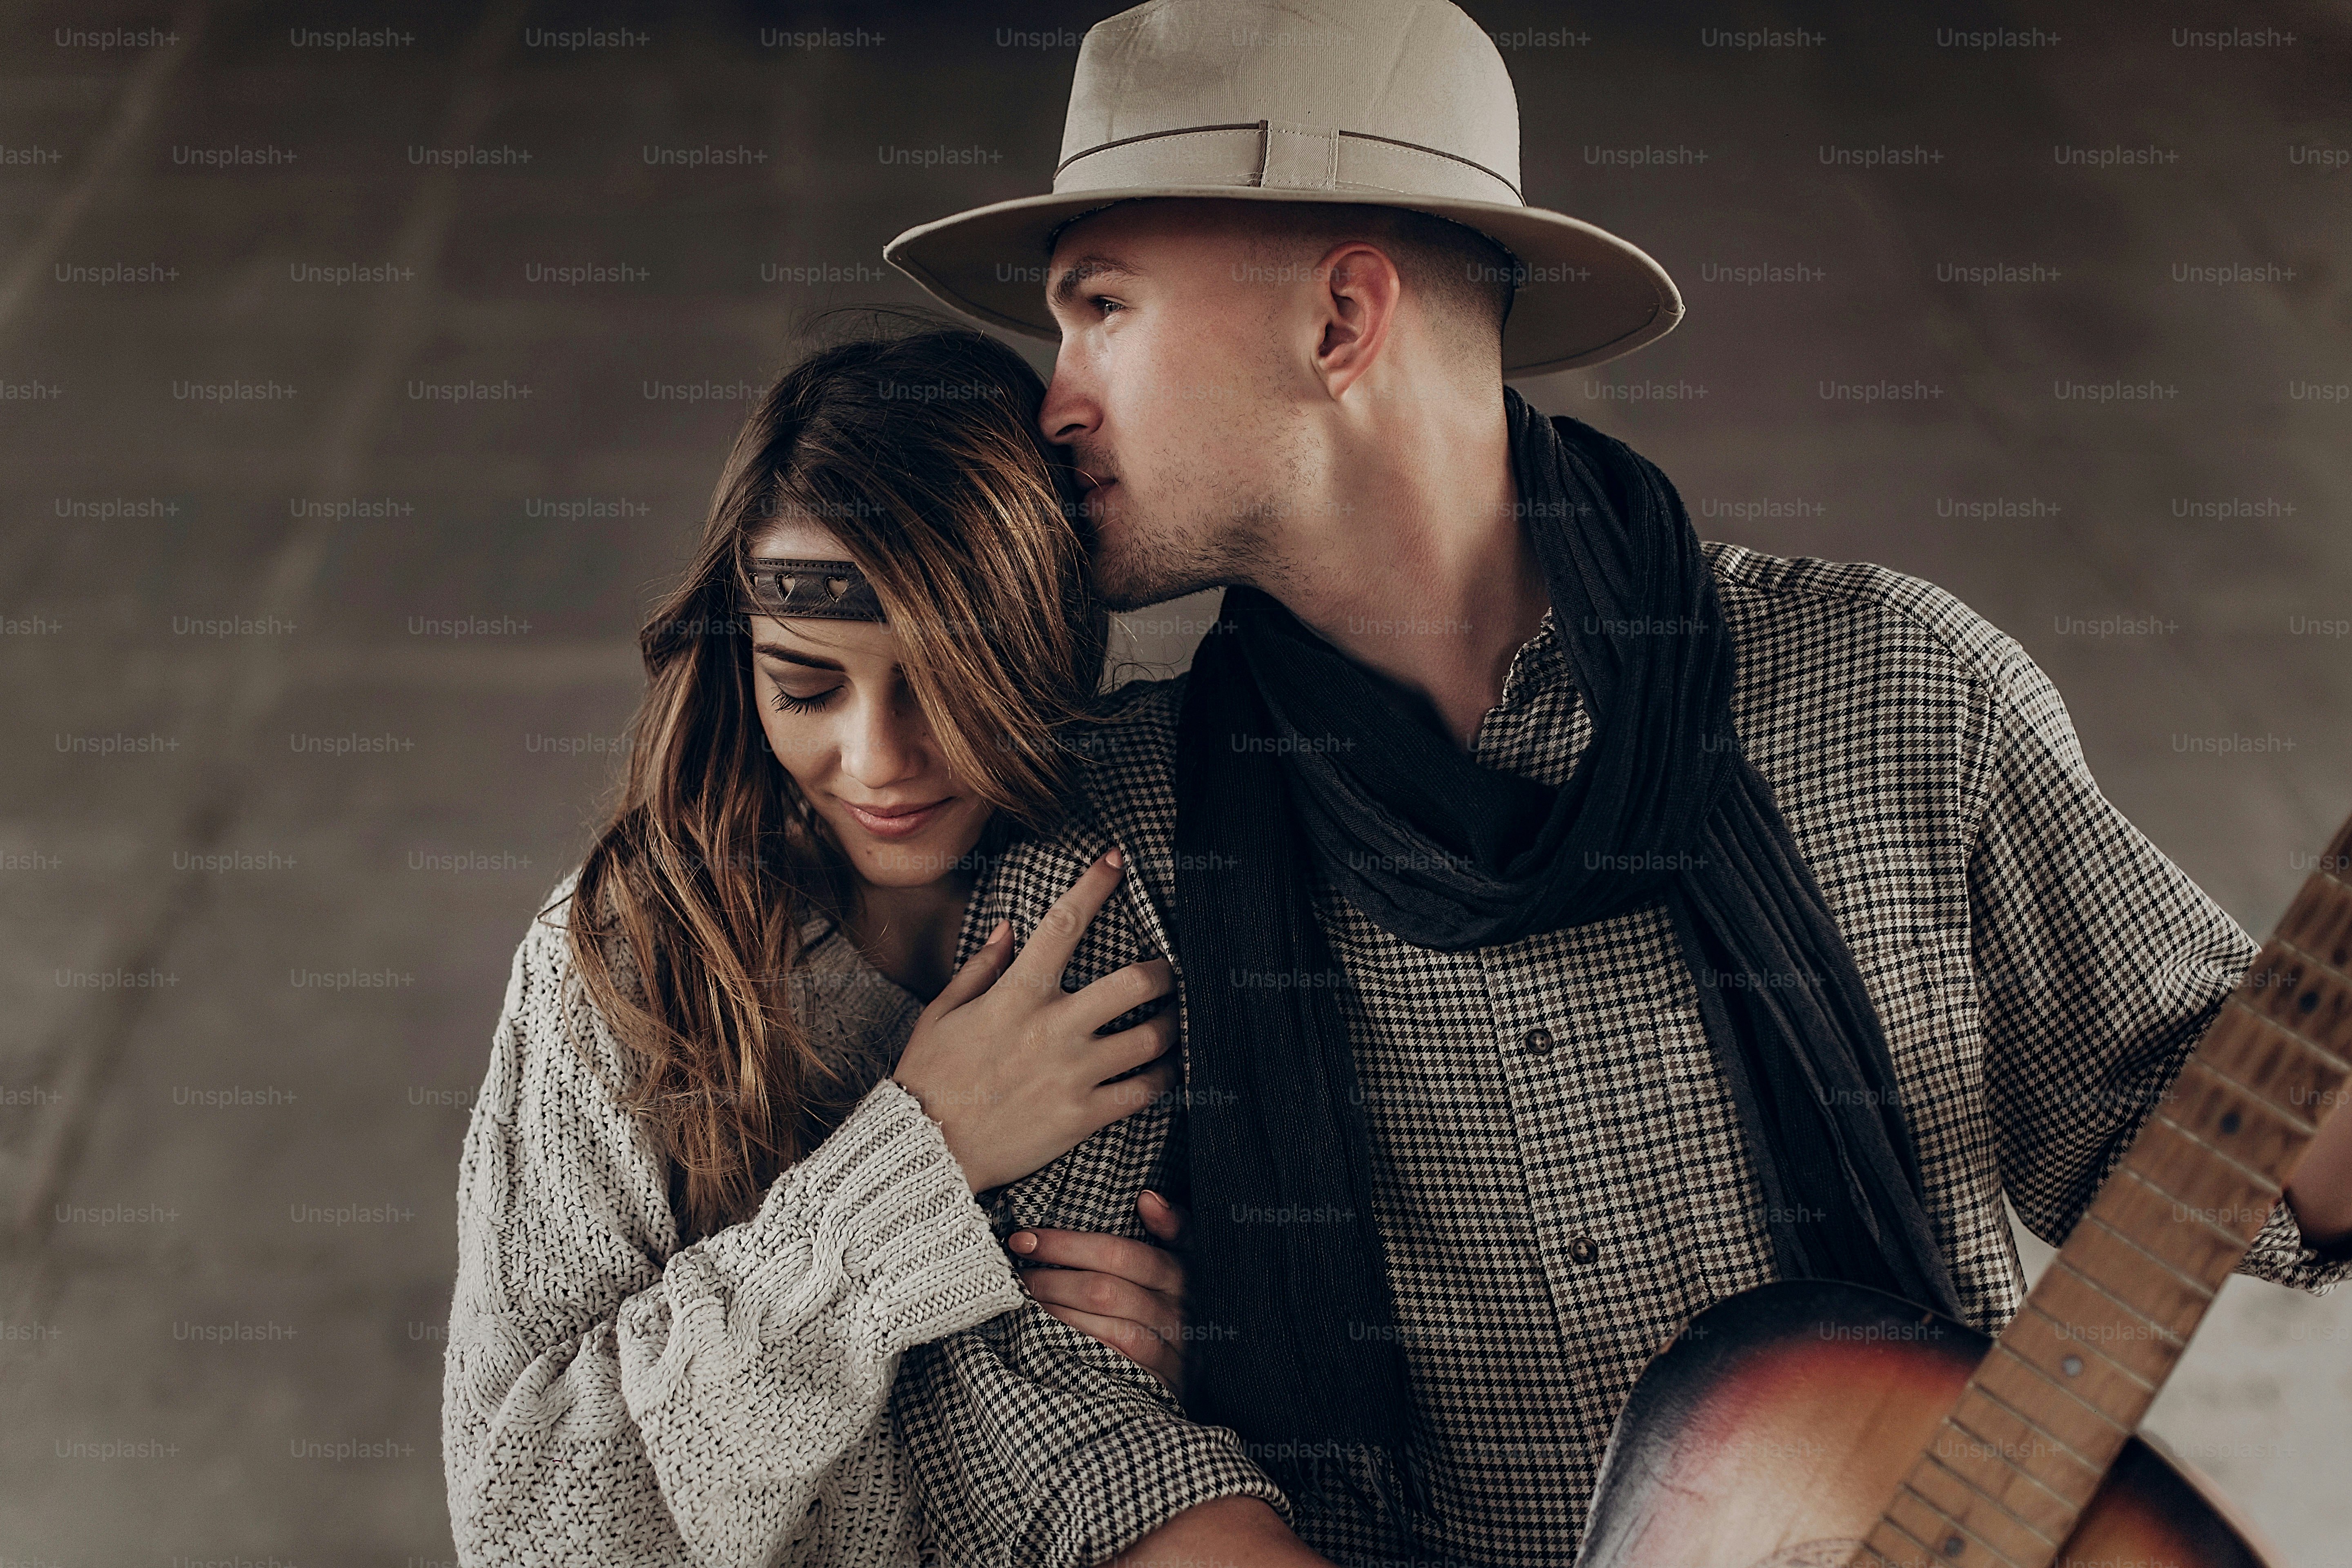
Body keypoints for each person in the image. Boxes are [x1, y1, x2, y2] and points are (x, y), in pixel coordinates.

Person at [875, 4, 2352, 1567]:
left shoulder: (1896, 689)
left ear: (1339, 323)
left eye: (1099, 308)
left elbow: (2205, 1132)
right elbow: (1017, 1378)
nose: (1055, 397)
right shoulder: (1124, 833)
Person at [440, 324, 1198, 1567]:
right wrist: (921, 1162)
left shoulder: (1146, 910)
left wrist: (1181, 1356)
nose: (879, 760)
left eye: (945, 685)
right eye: (807, 687)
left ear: (1045, 646)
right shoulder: (623, 975)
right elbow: (532, 1528)